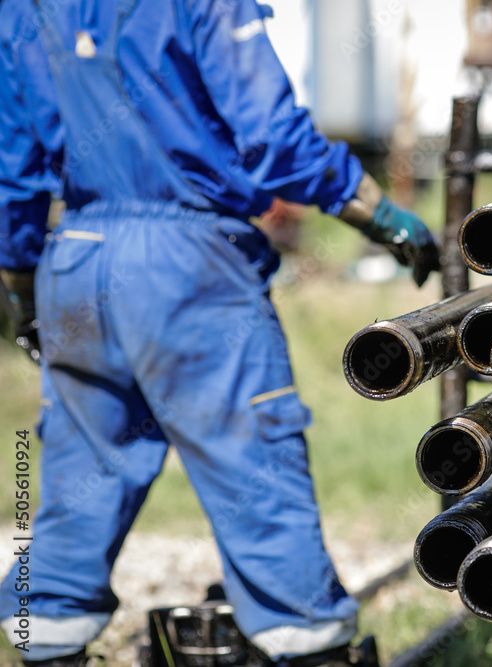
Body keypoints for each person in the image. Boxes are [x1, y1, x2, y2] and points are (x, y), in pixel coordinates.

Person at [0, 0, 439, 665]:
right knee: (252, 462)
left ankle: (48, 637)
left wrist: (22, 287)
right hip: (189, 263)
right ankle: (308, 641)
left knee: (78, 468)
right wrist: (379, 215)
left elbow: (14, 167)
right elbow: (273, 136)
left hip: (79, 261)